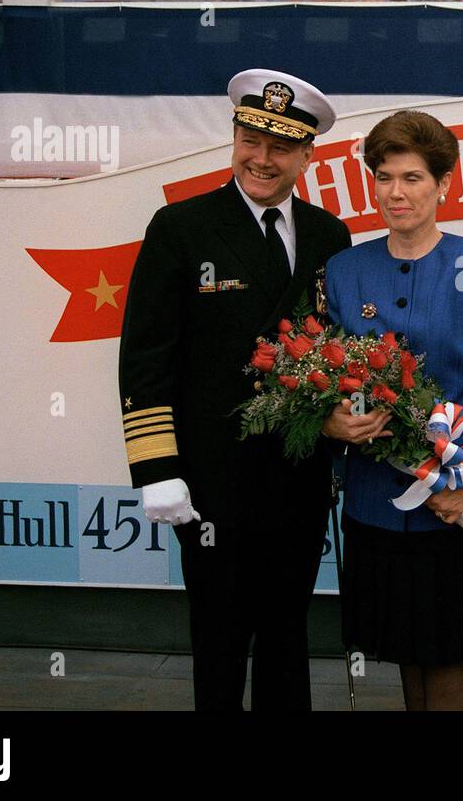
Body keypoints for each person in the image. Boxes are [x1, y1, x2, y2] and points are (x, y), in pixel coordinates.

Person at [118, 69, 351, 711]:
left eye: (281, 147)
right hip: (212, 486)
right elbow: (145, 361)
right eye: (251, 138)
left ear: (308, 154)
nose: (262, 159)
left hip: (297, 482)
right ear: (235, 137)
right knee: (219, 649)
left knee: (286, 642)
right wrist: (157, 470)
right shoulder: (182, 228)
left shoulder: (330, 236)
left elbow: (336, 354)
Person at [321, 109, 463, 711]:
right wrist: (333, 419)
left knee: (449, 647)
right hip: (376, 500)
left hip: (452, 504)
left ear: (443, 183)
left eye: (411, 177)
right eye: (383, 177)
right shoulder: (343, 269)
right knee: (406, 645)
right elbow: (327, 376)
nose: (396, 193)